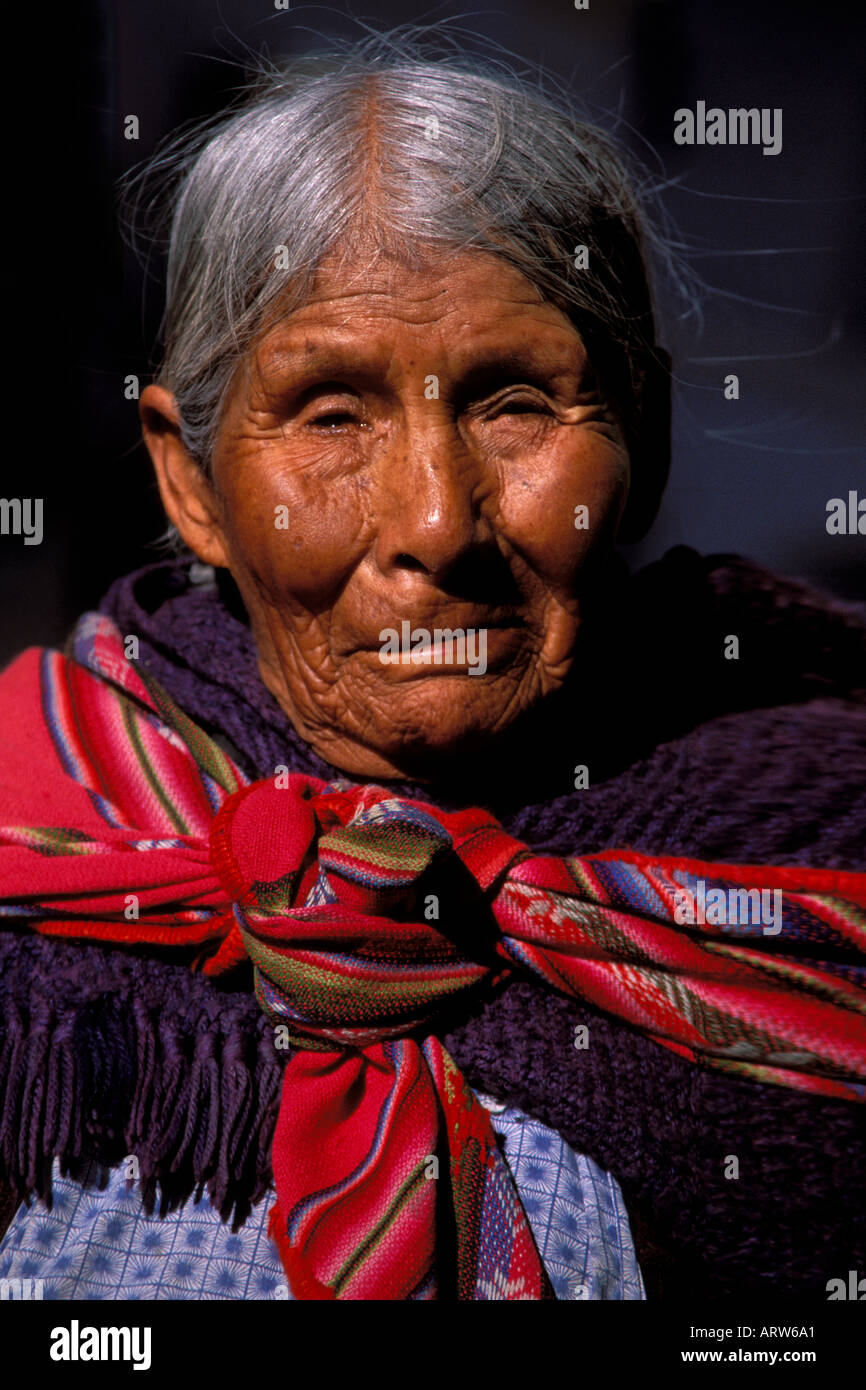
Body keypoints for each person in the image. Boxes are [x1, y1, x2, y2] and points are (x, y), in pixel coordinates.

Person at [0, 47, 863, 1302]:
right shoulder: (37, 818)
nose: (436, 523)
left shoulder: (817, 837)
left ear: (647, 432)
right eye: (331, 414)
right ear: (188, 481)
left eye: (514, 404)